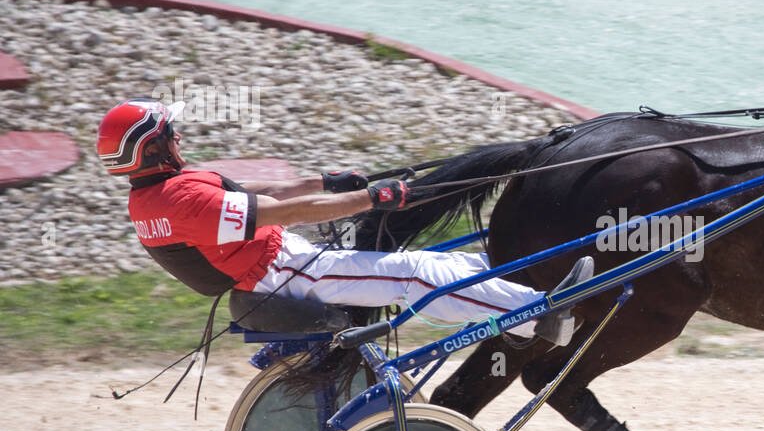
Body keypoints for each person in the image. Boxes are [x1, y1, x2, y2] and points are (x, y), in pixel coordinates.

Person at [97, 97, 590, 345]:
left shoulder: (153, 199)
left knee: (416, 263)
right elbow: (281, 213)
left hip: (277, 264)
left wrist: (323, 182)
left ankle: (512, 285)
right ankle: (539, 317)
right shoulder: (180, 198)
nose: (180, 139)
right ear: (155, 148)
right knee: (413, 277)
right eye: (172, 134)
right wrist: (369, 198)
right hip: (282, 273)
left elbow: (258, 198)